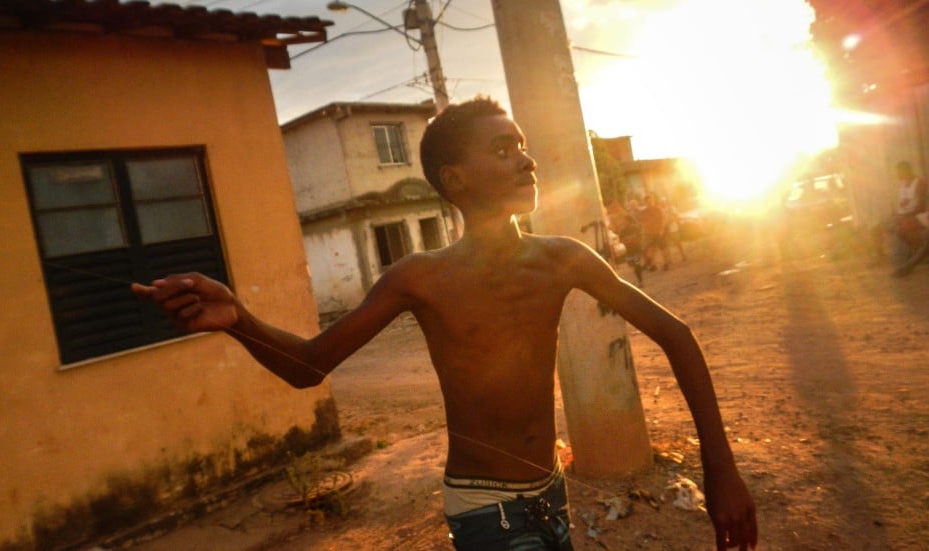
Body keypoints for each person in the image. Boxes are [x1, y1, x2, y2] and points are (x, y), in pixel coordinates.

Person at [132, 98, 757, 551]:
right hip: (484, 507)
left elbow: (676, 335)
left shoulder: (563, 259)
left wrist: (721, 468)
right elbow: (310, 366)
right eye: (503, 151)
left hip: (551, 491)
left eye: (522, 146)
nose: (526, 161)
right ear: (454, 181)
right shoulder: (419, 277)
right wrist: (238, 319)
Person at [873, 161, 928, 265]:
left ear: (906, 171)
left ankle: (911, 254)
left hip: (914, 215)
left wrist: (906, 215)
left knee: (898, 228)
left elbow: (922, 206)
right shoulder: (902, 183)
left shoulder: (919, 183)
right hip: (902, 215)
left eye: (899, 172)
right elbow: (901, 205)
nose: (897, 175)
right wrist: (896, 214)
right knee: (876, 227)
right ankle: (880, 256)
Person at [641, 193, 671, 271]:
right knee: (650, 250)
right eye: (647, 202)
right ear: (645, 203)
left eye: (650, 201)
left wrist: (662, 229)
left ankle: (666, 263)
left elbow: (663, 220)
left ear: (653, 201)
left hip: (659, 232)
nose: (649, 203)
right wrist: (645, 232)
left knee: (663, 248)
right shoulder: (644, 212)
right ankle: (653, 265)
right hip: (650, 233)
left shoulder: (658, 209)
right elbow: (643, 223)